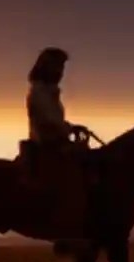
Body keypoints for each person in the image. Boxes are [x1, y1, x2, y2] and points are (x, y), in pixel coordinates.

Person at [23, 47, 92, 245]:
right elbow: (48, 120)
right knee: (74, 177)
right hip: (47, 143)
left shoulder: (48, 92)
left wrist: (70, 127)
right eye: (58, 67)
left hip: (54, 140)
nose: (61, 72)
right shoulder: (39, 92)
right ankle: (67, 232)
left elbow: (54, 120)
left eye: (62, 68)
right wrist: (67, 129)